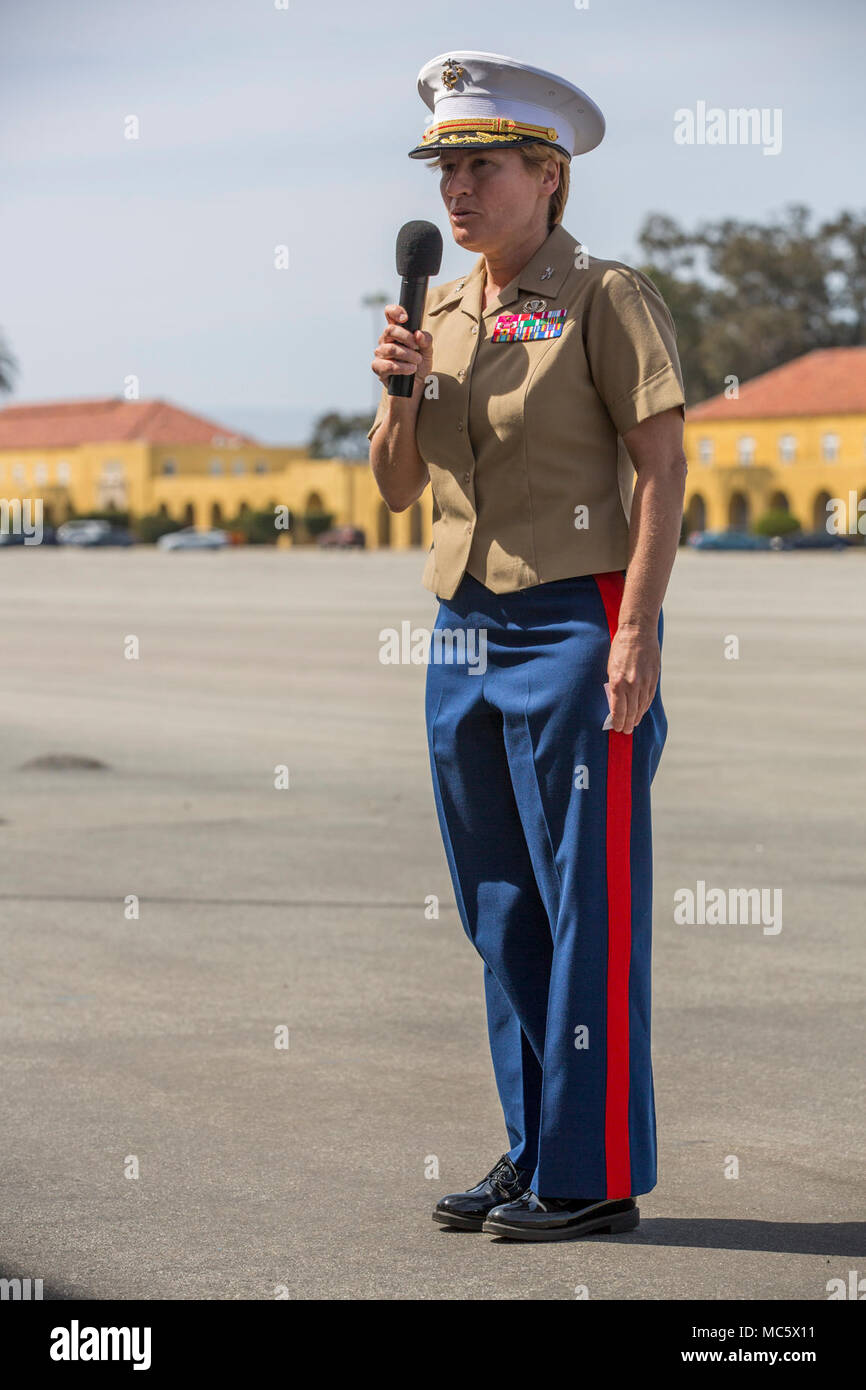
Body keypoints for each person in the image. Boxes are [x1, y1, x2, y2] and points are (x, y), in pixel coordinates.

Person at [367, 50, 686, 1242]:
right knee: (498, 901)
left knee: (583, 902)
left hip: (573, 619)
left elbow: (662, 464)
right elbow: (398, 489)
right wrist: (398, 391)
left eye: (482, 166)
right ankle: (530, 1144)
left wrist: (636, 626)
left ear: (546, 176)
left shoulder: (605, 295)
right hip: (460, 634)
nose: (457, 191)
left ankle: (593, 1167)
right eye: (445, 168)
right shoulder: (434, 309)